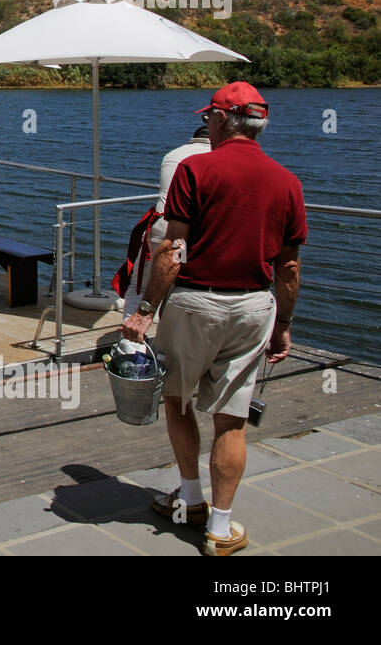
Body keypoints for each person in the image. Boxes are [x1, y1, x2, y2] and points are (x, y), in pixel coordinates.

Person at [122, 82, 306, 556]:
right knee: (233, 420)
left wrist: (145, 310)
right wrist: (283, 325)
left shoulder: (195, 168)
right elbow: (287, 267)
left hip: (194, 304)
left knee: (178, 401)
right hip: (253, 306)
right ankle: (220, 531)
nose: (207, 124)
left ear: (222, 121)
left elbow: (172, 249)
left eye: (209, 118)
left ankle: (190, 498)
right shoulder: (287, 181)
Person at [120, 124, 211, 320]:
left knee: (141, 286)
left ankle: (129, 339)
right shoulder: (216, 158)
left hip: (160, 225)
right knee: (183, 288)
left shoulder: (173, 155)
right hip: (191, 233)